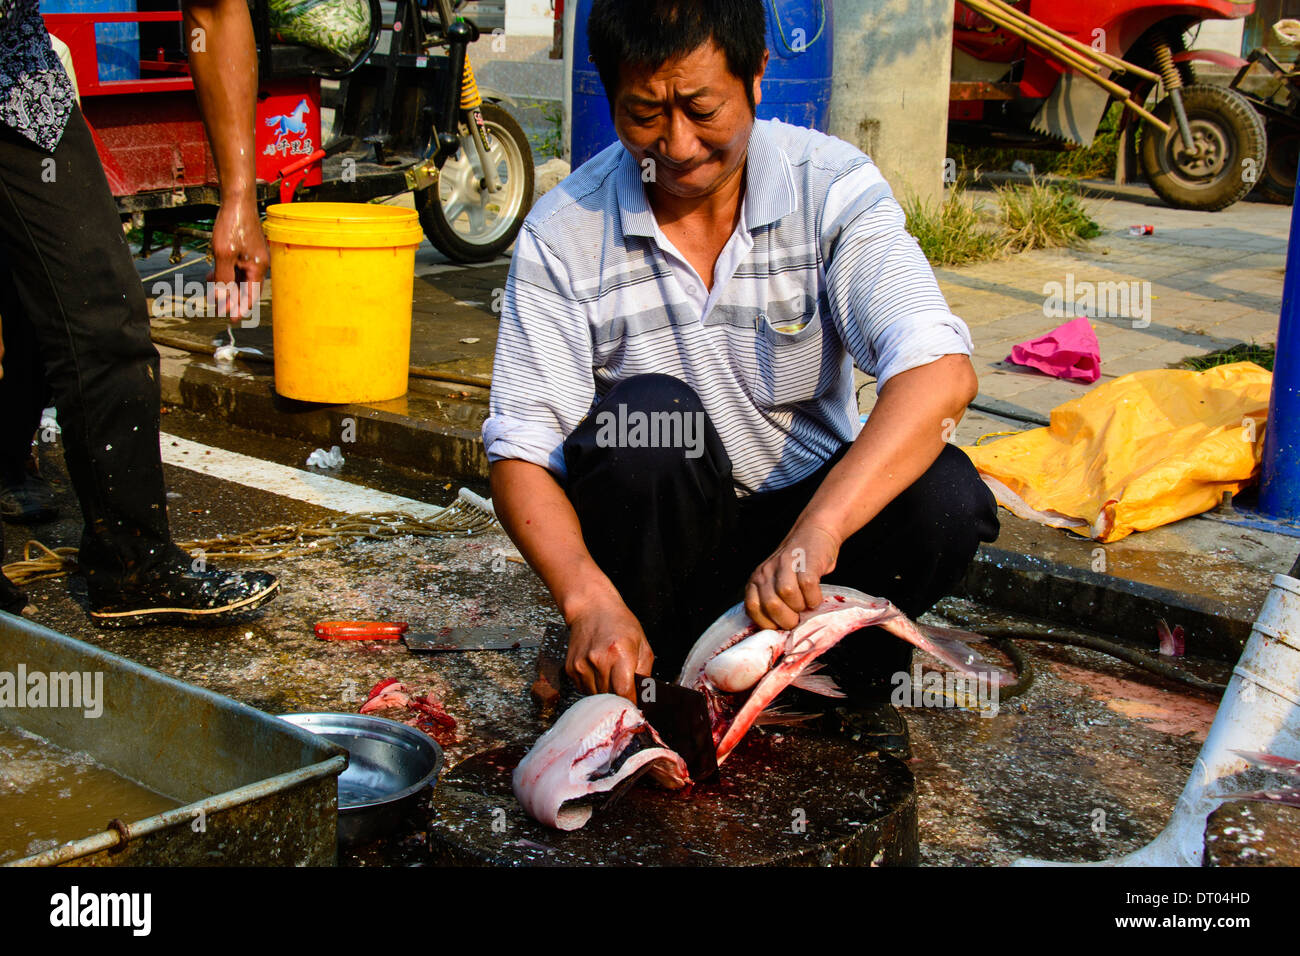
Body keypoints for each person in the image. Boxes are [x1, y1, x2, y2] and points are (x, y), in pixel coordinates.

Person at [485, 0, 1000, 756]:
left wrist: (817, 531)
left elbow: (940, 373)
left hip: (805, 549)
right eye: (644, 114)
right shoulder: (564, 232)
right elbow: (521, 451)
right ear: (609, 92)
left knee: (946, 499)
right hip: (666, 545)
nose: (678, 145)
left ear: (757, 74)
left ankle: (814, 678)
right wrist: (586, 599)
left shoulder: (830, 188)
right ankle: (652, 670)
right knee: (654, 419)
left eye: (701, 109)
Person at [0, 0, 279, 625]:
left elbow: (216, 8)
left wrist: (239, 198)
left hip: (15, 69)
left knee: (100, 307)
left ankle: (131, 563)